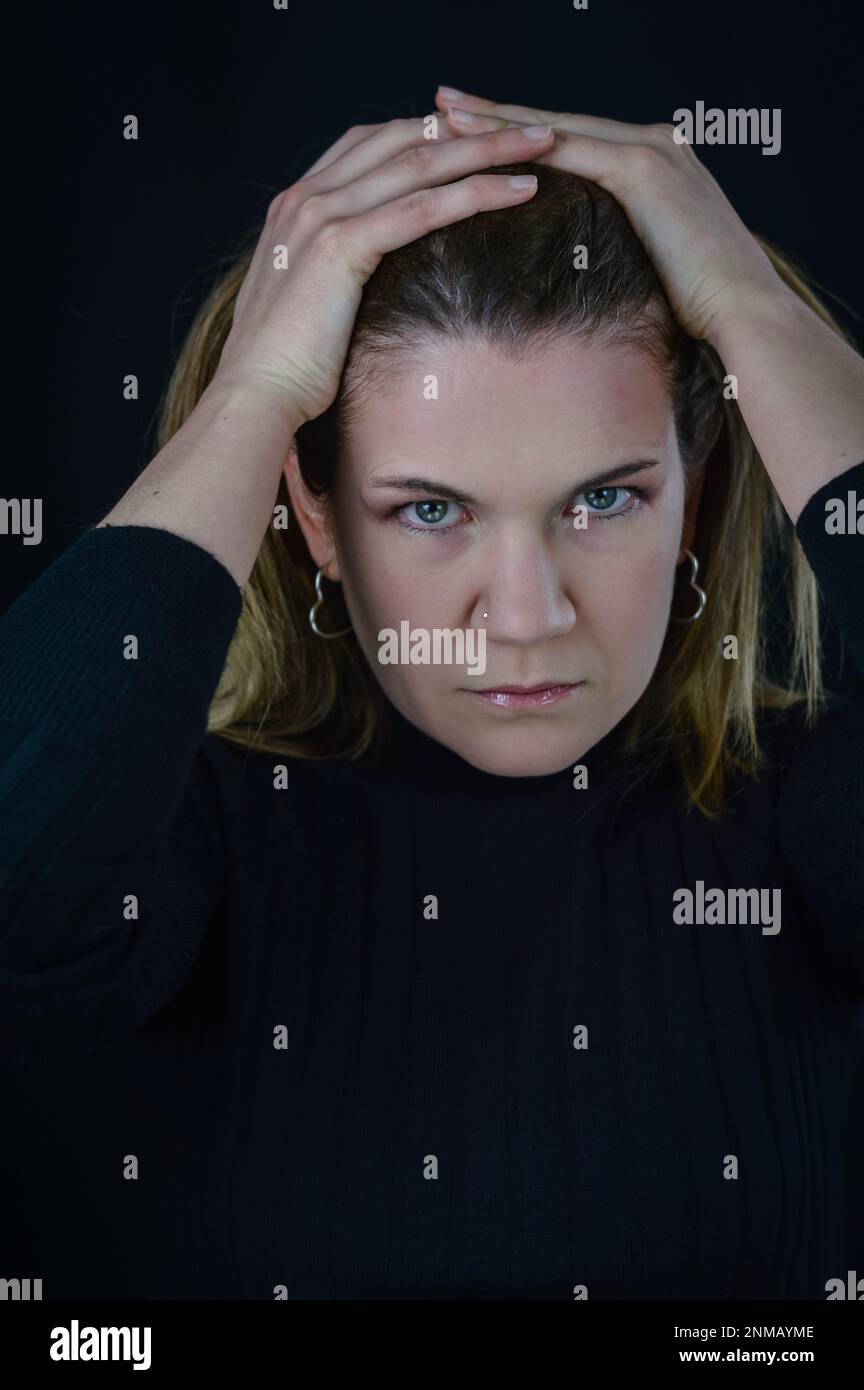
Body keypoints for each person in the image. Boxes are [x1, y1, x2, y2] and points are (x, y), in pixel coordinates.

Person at [1, 87, 863, 1300]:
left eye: (603, 499)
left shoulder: (810, 803)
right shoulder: (197, 831)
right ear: (312, 511)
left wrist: (758, 318)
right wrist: (250, 395)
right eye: (431, 510)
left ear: (698, 492)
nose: (524, 617)